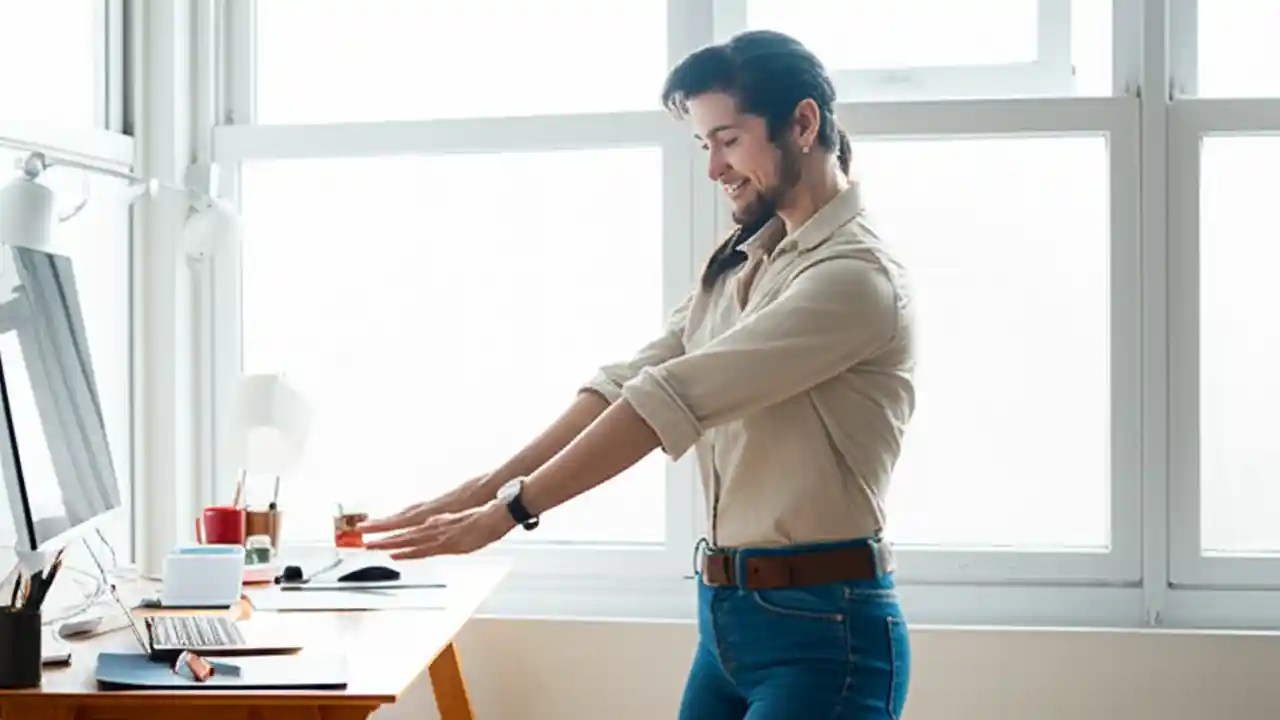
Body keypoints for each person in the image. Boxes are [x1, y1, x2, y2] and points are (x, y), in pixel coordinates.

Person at [360, 30, 916, 720]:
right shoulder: (747, 257)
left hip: (825, 632)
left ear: (802, 123)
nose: (714, 168)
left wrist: (508, 512)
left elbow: (667, 400)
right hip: (729, 621)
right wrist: (478, 489)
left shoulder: (851, 282)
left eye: (729, 139)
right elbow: (632, 378)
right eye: (702, 145)